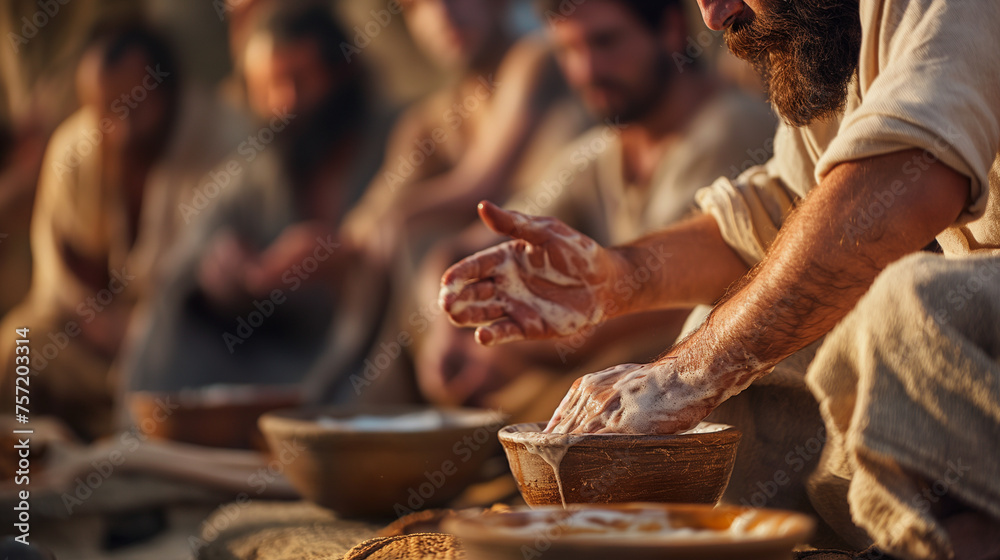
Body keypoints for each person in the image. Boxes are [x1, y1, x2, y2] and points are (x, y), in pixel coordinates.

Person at [440, 0, 1000, 557]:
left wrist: (689, 371)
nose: (713, 16)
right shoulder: (839, 35)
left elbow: (905, 179)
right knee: (716, 348)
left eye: (605, 41)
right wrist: (618, 279)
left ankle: (957, 539)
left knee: (907, 308)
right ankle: (812, 543)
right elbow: (784, 208)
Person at [412, 0, 776, 421]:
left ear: (672, 31)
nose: (586, 70)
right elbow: (473, 244)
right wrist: (448, 325)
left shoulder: (731, 128)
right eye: (568, 50)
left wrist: (512, 349)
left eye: (606, 41)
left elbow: (688, 295)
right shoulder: (606, 149)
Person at [118, 6, 393, 402]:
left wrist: (346, 260)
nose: (285, 102)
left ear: (341, 71)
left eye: (299, 79)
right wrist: (220, 267)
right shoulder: (261, 166)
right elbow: (190, 253)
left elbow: (407, 226)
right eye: (267, 88)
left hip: (369, 360)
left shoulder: (396, 141)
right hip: (276, 363)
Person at [0, 24, 248, 441]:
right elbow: (62, 276)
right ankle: (26, 484)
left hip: (195, 353)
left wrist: (143, 333)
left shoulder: (229, 142)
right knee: (17, 348)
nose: (120, 128)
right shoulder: (74, 149)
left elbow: (223, 292)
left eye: (134, 106)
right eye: (105, 111)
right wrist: (100, 324)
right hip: (96, 348)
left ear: (166, 92)